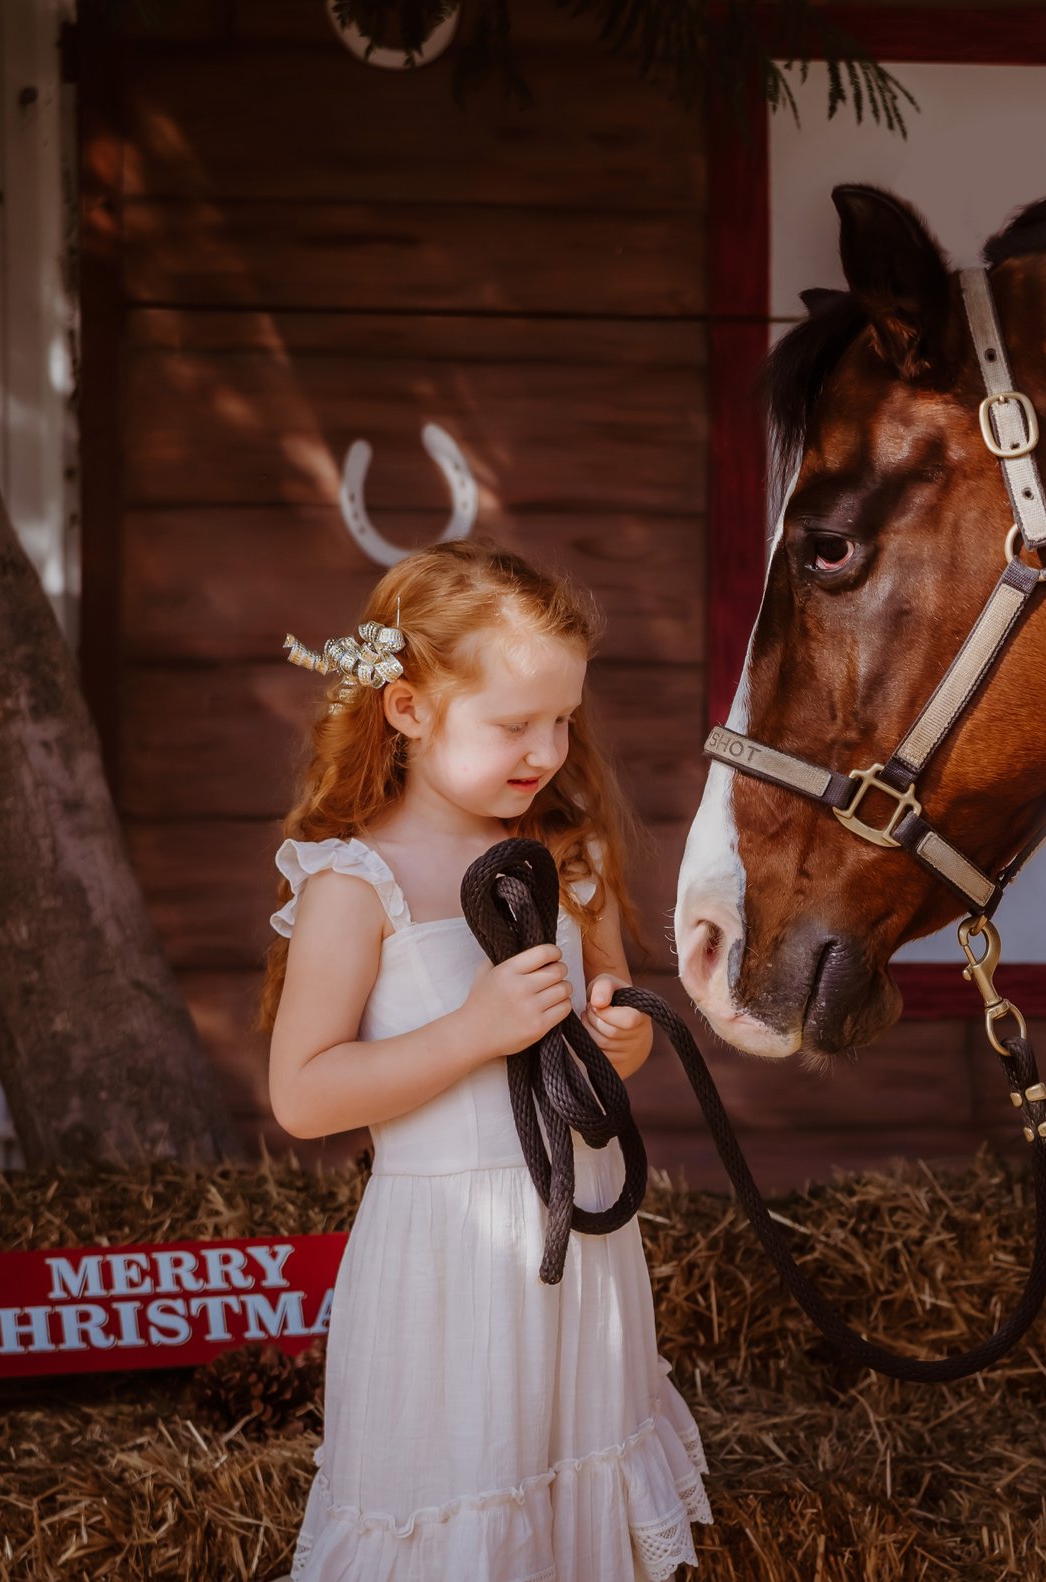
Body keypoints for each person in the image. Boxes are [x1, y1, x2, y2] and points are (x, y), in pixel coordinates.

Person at [263, 541, 709, 1581]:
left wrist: (623, 1038)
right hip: (449, 1258)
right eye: (514, 724)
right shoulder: (355, 884)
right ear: (409, 710)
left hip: (580, 1230)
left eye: (564, 720)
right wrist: (469, 1031)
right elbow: (303, 1094)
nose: (547, 750)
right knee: (464, 1493)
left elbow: (603, 1020)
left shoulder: (567, 860)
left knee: (570, 1477)